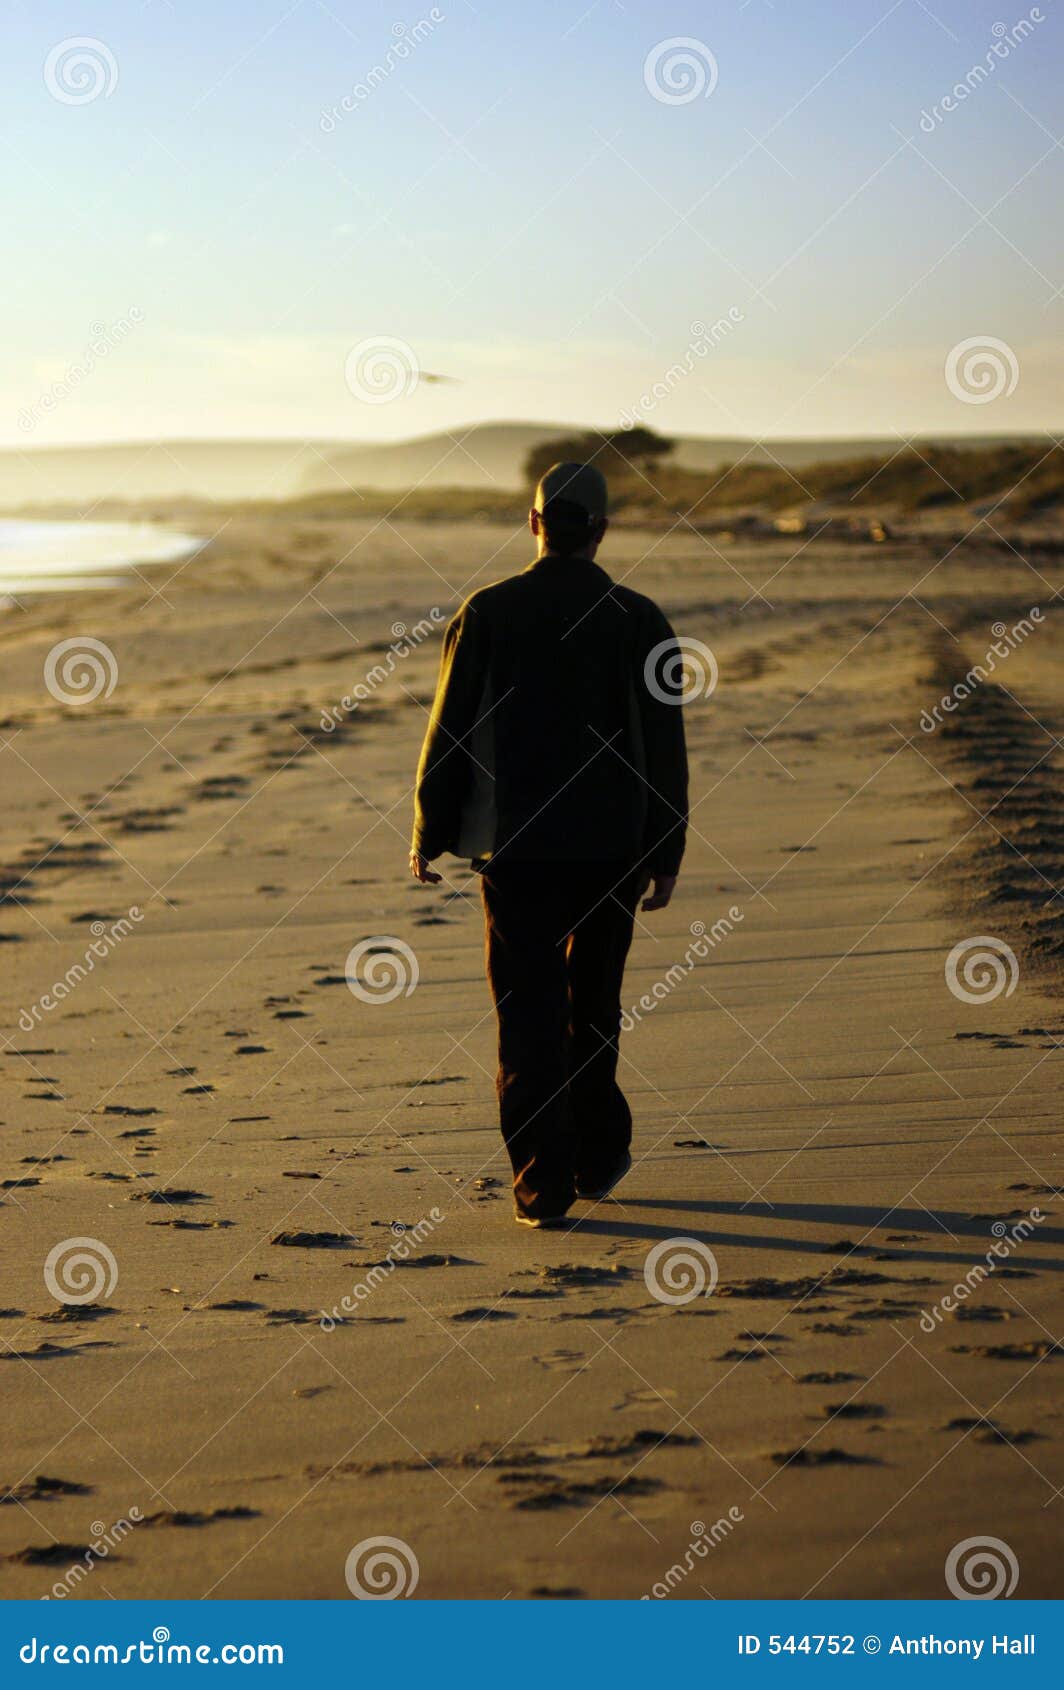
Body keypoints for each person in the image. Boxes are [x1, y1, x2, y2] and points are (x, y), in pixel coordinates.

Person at [410, 461, 688, 1228]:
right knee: (594, 1004)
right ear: (600, 529)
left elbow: (449, 728)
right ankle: (598, 1152)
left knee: (527, 1013)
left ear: (533, 524)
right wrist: (667, 851)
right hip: (614, 847)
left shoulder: (489, 610)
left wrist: (430, 830)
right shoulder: (641, 618)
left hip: (517, 850)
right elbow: (667, 747)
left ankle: (543, 1184)